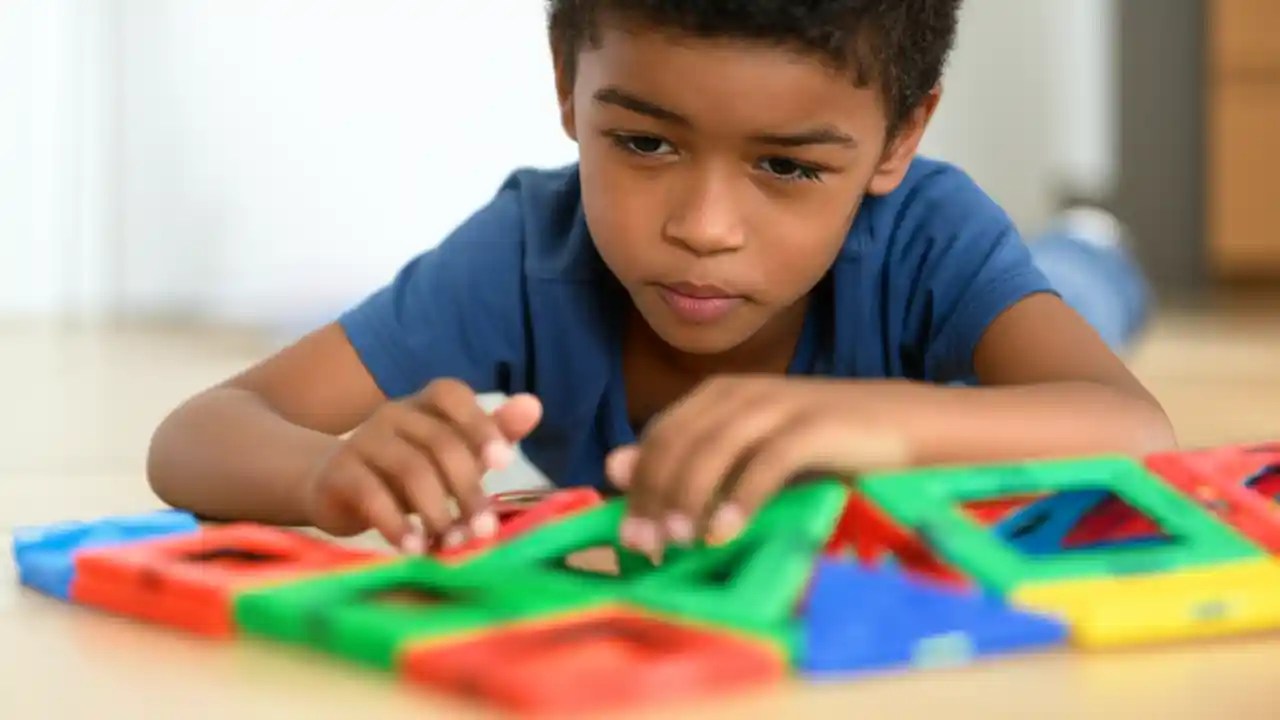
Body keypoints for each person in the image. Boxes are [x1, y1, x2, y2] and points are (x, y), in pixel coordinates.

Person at [146, 0, 1175, 561]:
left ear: (898, 136)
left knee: (1074, 291)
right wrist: (322, 479)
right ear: (566, 87)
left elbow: (1129, 428)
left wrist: (885, 425)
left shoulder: (926, 235)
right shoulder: (523, 254)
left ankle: (1088, 243)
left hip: (996, 326)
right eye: (643, 142)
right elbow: (199, 433)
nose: (701, 229)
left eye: (785, 166)